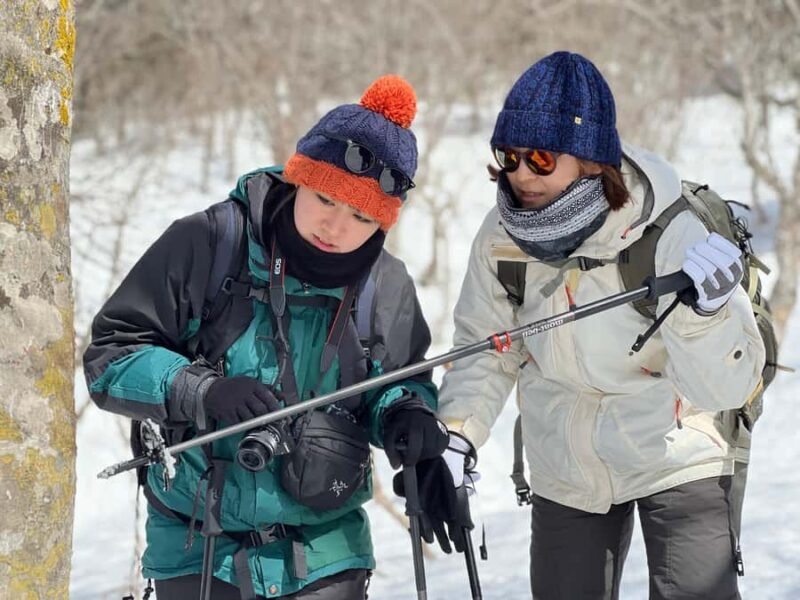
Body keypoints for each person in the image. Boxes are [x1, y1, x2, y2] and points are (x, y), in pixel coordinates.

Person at [83, 75, 449, 600]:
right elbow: (112, 355)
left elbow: (396, 383)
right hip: (197, 545)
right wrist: (201, 390)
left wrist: (404, 416)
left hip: (326, 550)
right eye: (325, 197)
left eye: (362, 215)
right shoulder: (211, 243)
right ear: (299, 176)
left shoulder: (385, 286)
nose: (335, 225)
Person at [430, 52, 766, 599]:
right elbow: (487, 348)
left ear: (591, 161)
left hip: (676, 448)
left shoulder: (669, 230)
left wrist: (707, 316)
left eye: (540, 157)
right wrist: (457, 434)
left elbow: (728, 388)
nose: (520, 174)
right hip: (567, 458)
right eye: (509, 156)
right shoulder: (501, 236)